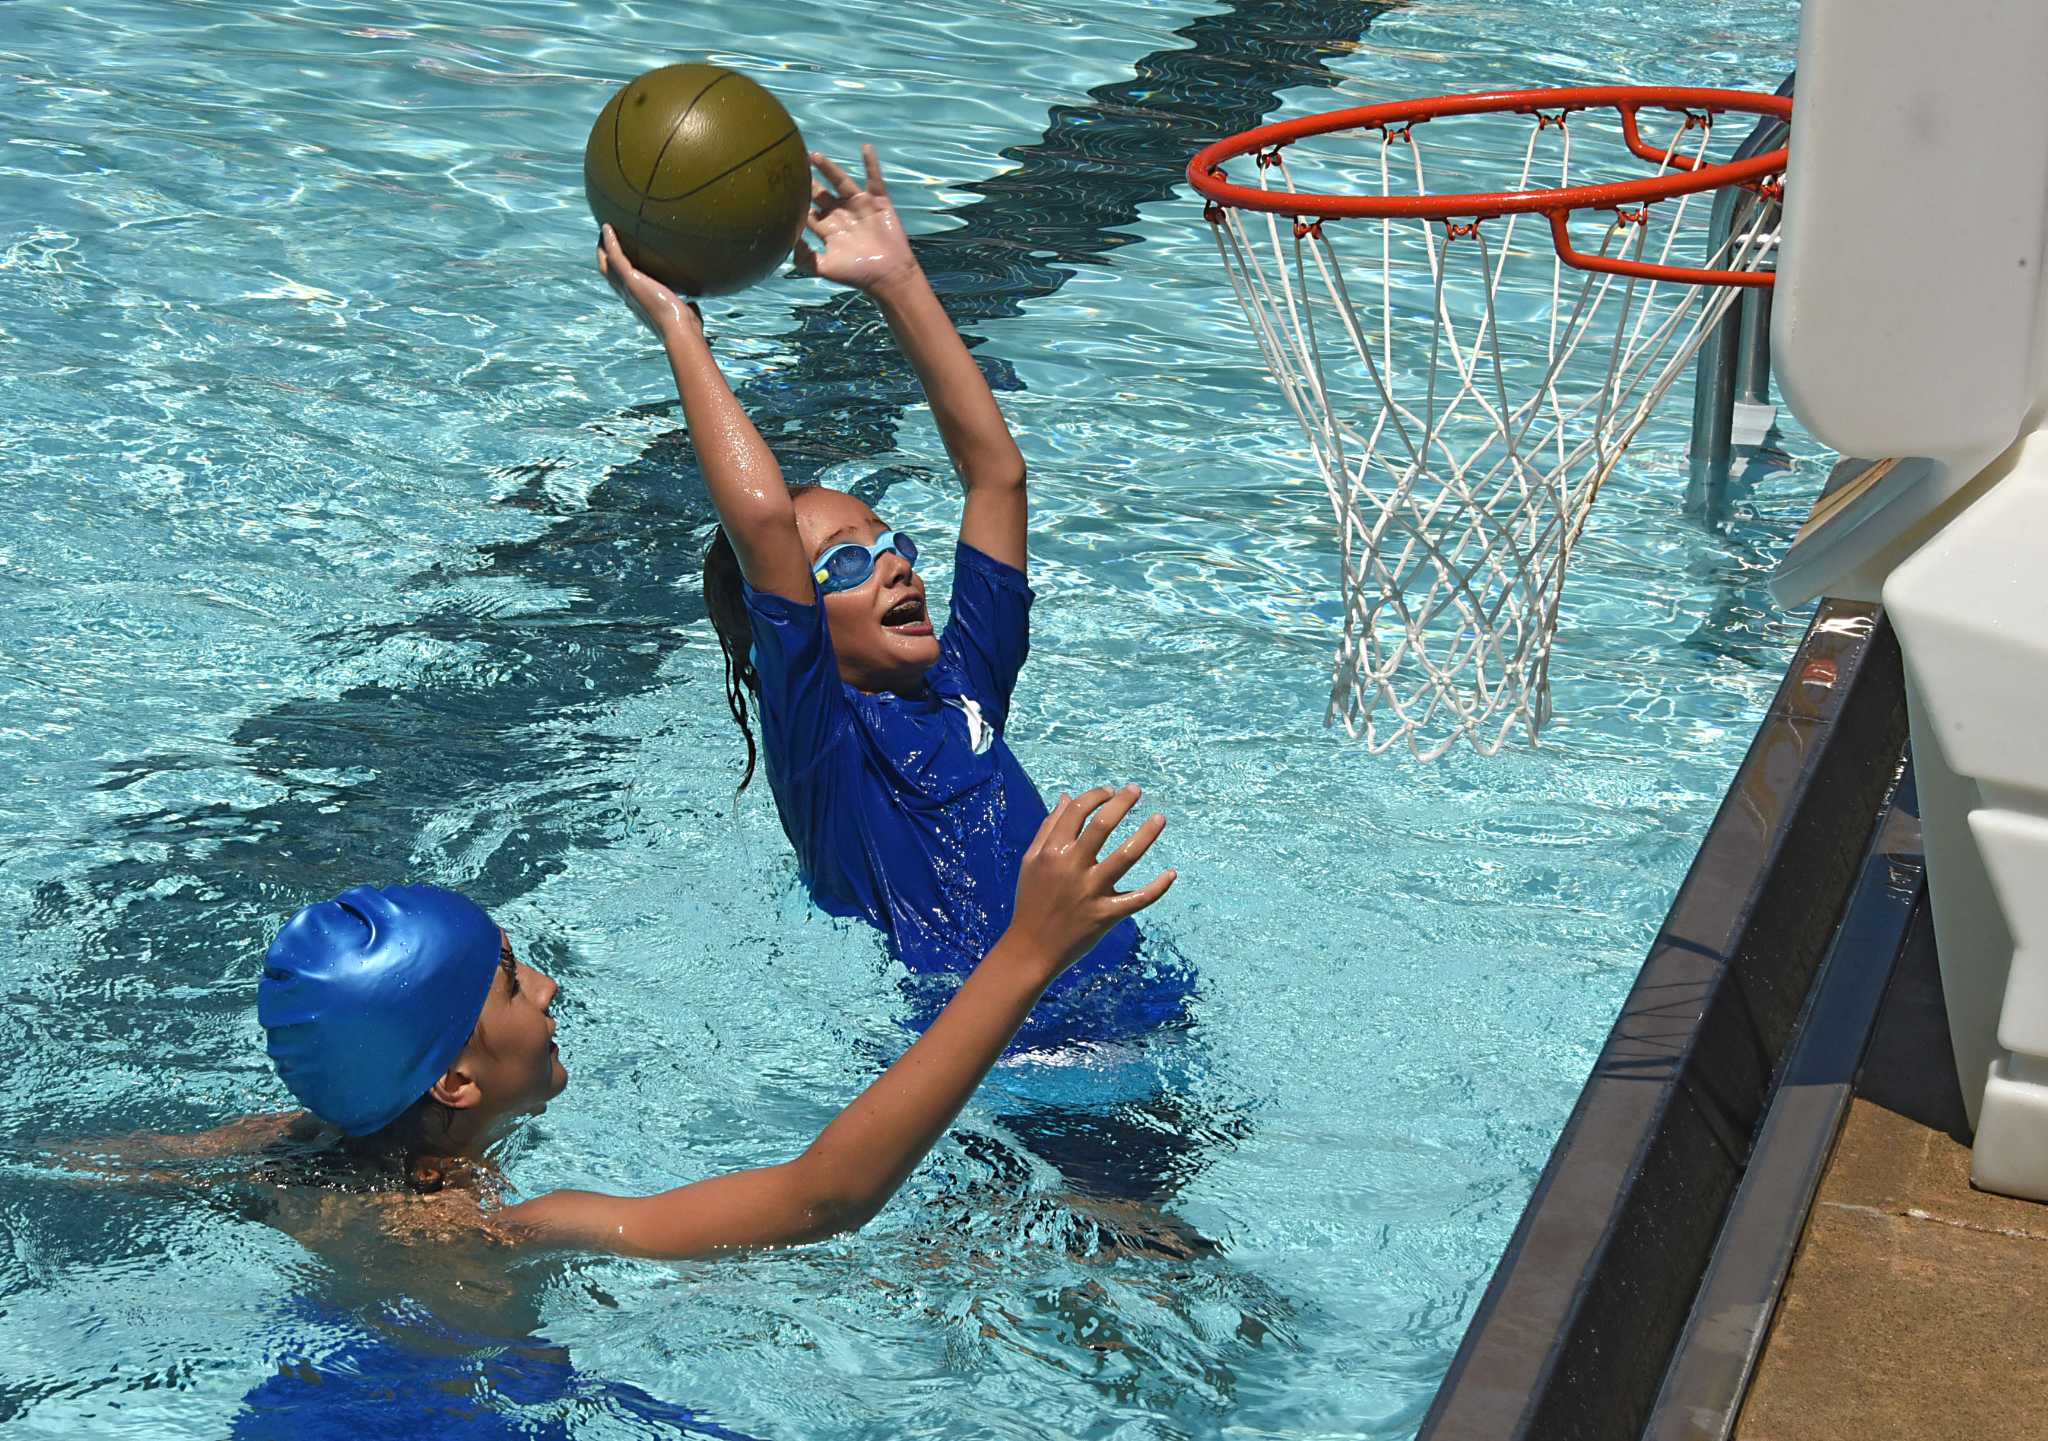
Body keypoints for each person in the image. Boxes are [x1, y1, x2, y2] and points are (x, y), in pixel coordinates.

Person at [594, 145, 1195, 1055]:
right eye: (842, 565)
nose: (894, 567)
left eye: (892, 544)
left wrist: (898, 276)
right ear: (787, 627)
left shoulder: (965, 684)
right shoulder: (825, 748)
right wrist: (681, 328)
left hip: (1135, 1016)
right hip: (999, 1063)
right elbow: (759, 523)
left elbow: (995, 476)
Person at [231, 785, 1169, 1257]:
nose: (550, 988)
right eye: (512, 984)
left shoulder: (300, 1157)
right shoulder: (509, 1230)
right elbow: (826, 1198)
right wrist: (1027, 952)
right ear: (453, 1081)